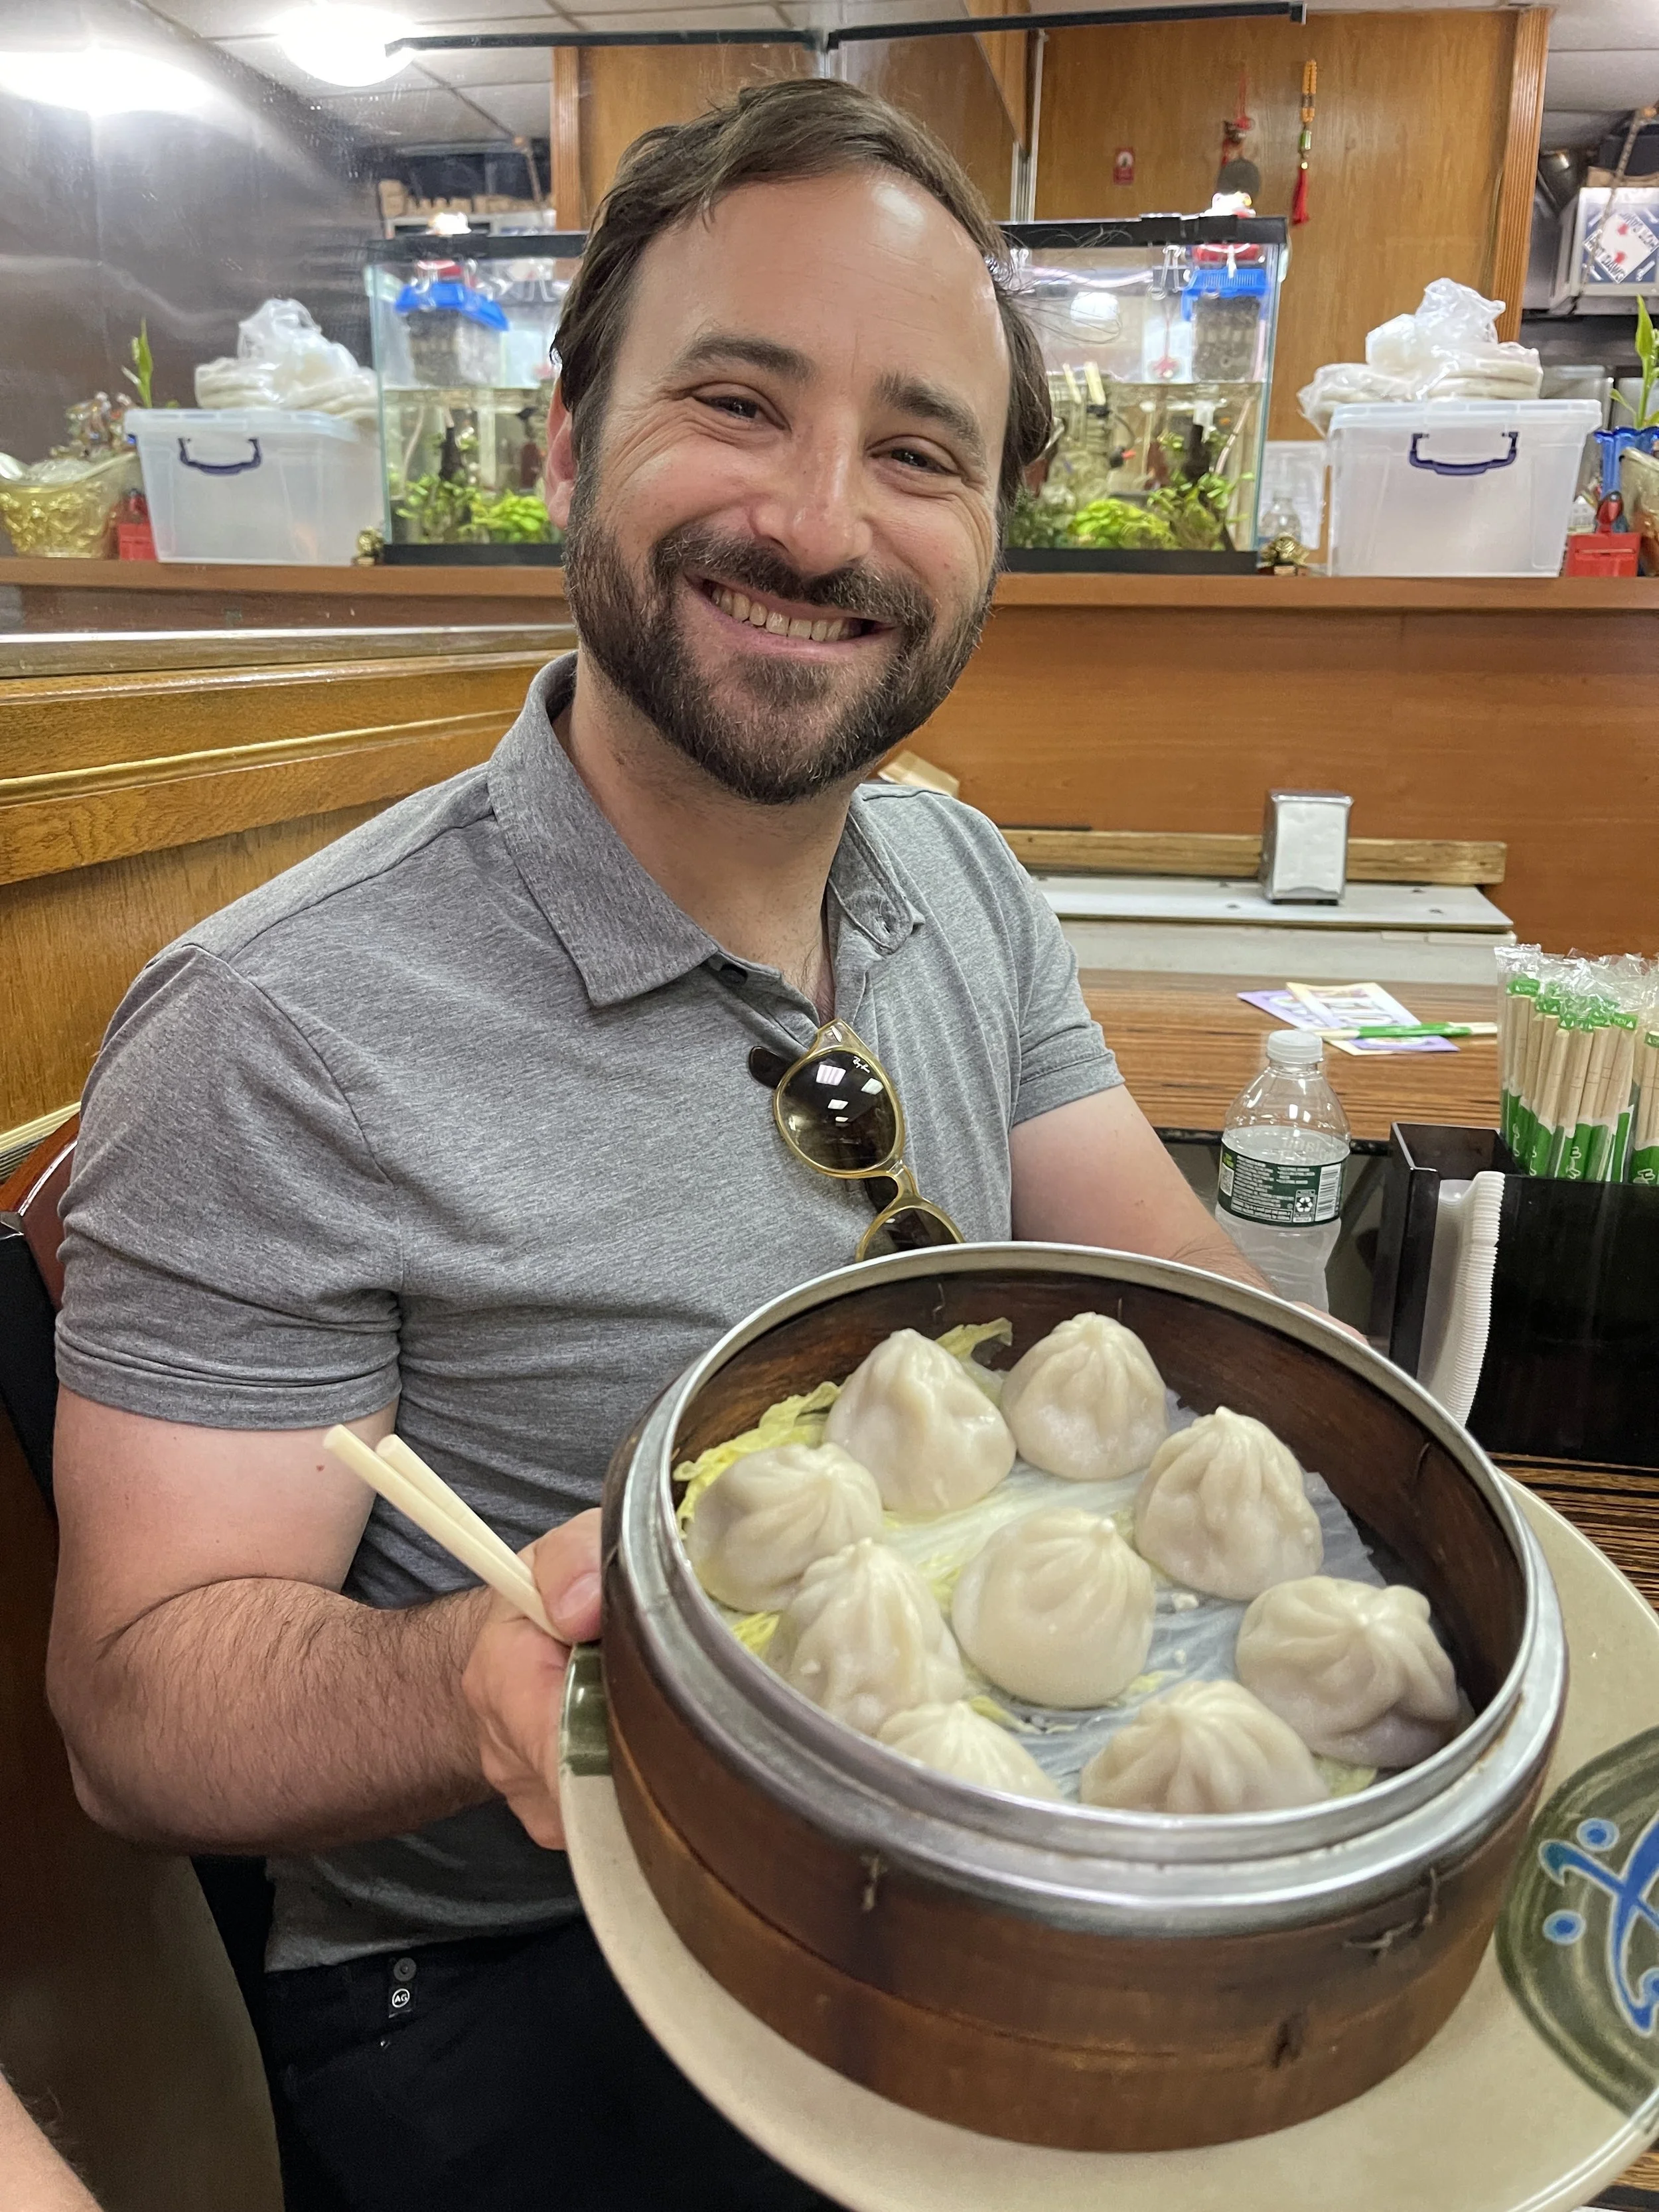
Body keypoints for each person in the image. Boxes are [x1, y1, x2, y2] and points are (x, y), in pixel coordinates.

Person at [45, 78, 1271, 2212]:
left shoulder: (957, 873)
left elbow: (1169, 1288)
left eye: (915, 451)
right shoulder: (283, 1026)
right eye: (735, 402)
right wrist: (472, 1677)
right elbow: (137, 1701)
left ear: (995, 524)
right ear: (558, 442)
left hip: (985, 1851)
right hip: (537, 1961)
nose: (815, 523)